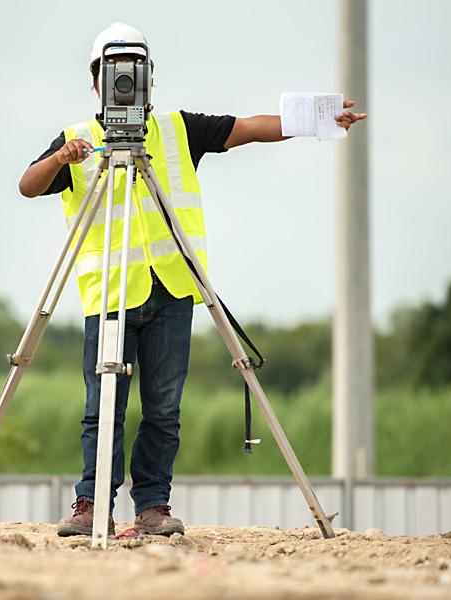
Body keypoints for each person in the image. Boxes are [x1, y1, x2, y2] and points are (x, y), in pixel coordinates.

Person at [18, 22, 366, 538]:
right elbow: (28, 186)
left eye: (133, 72)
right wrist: (60, 159)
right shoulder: (78, 141)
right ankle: (91, 505)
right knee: (102, 407)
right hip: (110, 295)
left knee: (163, 408)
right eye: (113, 73)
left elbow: (248, 127)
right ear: (96, 81)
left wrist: (317, 119)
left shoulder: (177, 130)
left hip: (174, 290)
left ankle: (152, 507)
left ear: (149, 77)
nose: (124, 83)